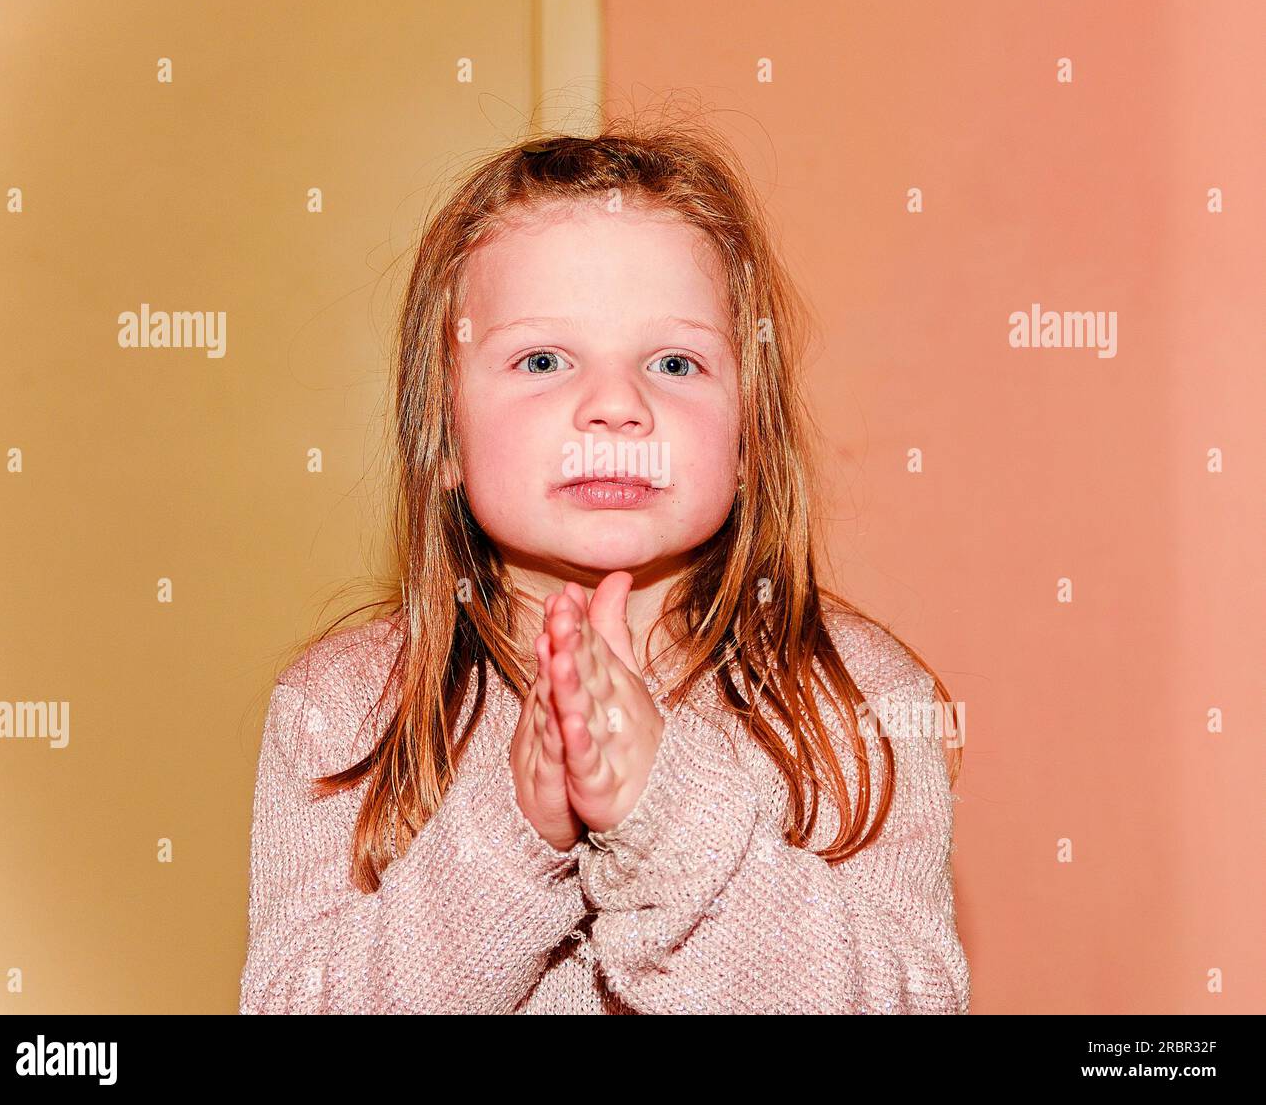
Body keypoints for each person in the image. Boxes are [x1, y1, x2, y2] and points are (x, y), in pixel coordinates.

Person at [238, 123, 971, 1014]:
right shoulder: (342, 709)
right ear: (444, 434)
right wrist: (515, 834)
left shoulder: (854, 703)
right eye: (543, 359)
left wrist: (662, 814)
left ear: (749, 439)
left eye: (674, 361)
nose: (617, 405)